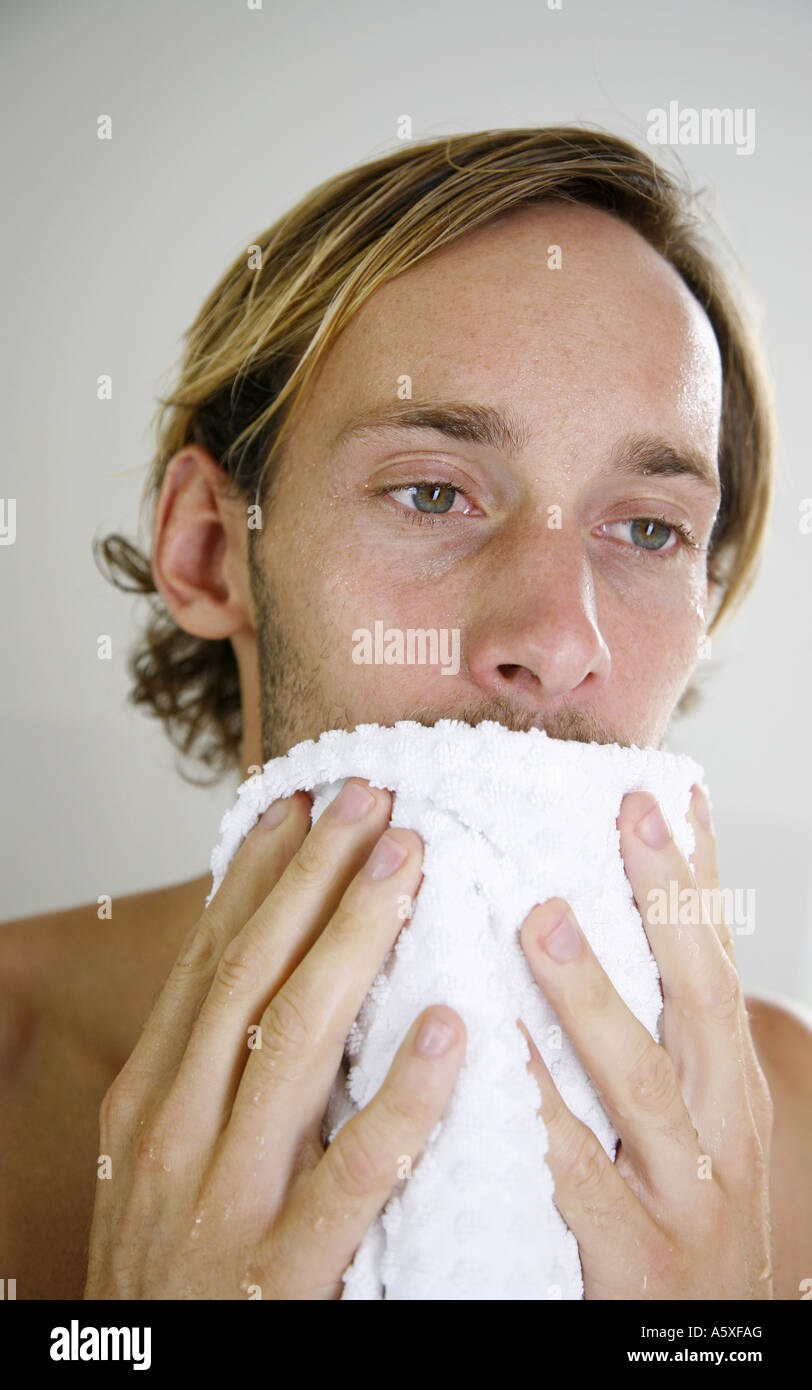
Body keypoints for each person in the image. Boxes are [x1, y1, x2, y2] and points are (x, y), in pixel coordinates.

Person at [1, 127, 809, 1301]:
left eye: (645, 528)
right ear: (209, 549)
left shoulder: (785, 1148)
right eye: (431, 492)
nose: (554, 641)